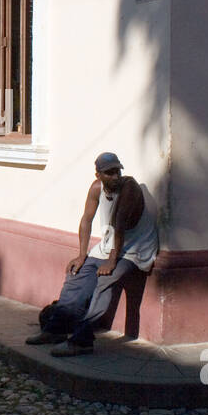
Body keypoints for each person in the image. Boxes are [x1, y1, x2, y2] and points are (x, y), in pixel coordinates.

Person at [26, 152, 158, 357]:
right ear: (98, 175)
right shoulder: (96, 188)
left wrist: (112, 261)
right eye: (109, 173)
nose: (115, 176)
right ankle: (55, 330)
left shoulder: (129, 188)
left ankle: (82, 341)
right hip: (109, 244)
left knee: (106, 280)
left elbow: (120, 225)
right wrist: (81, 255)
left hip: (135, 250)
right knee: (76, 276)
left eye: (117, 171)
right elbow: (86, 220)